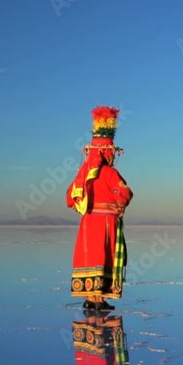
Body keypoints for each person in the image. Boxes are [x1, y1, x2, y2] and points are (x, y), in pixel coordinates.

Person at [66, 106, 133, 312]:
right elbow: (125, 193)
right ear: (107, 152)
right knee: (104, 257)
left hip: (88, 221)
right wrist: (118, 206)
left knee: (91, 257)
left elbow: (70, 198)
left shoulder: (84, 174)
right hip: (105, 223)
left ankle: (91, 297)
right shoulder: (110, 173)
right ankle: (99, 300)